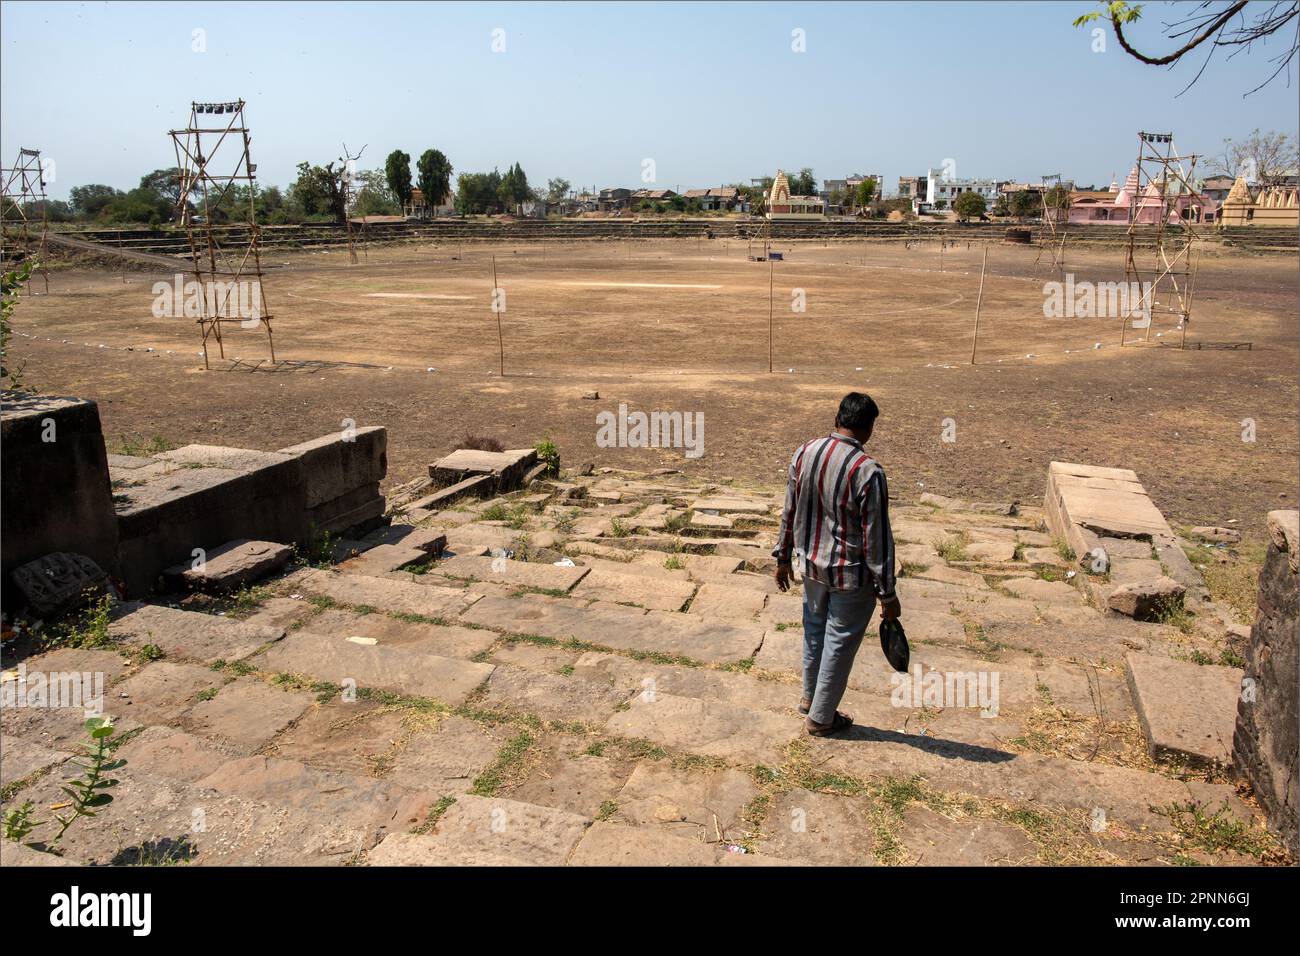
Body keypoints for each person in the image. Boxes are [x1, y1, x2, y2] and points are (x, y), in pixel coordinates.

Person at [772, 392, 900, 736]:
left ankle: (810, 698)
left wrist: (783, 558)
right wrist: (887, 594)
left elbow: (790, 510)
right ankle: (821, 717)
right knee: (839, 640)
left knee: (814, 632)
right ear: (869, 429)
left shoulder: (805, 453)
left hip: (810, 566)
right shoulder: (867, 471)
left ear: (836, 419)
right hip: (849, 575)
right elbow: (877, 539)